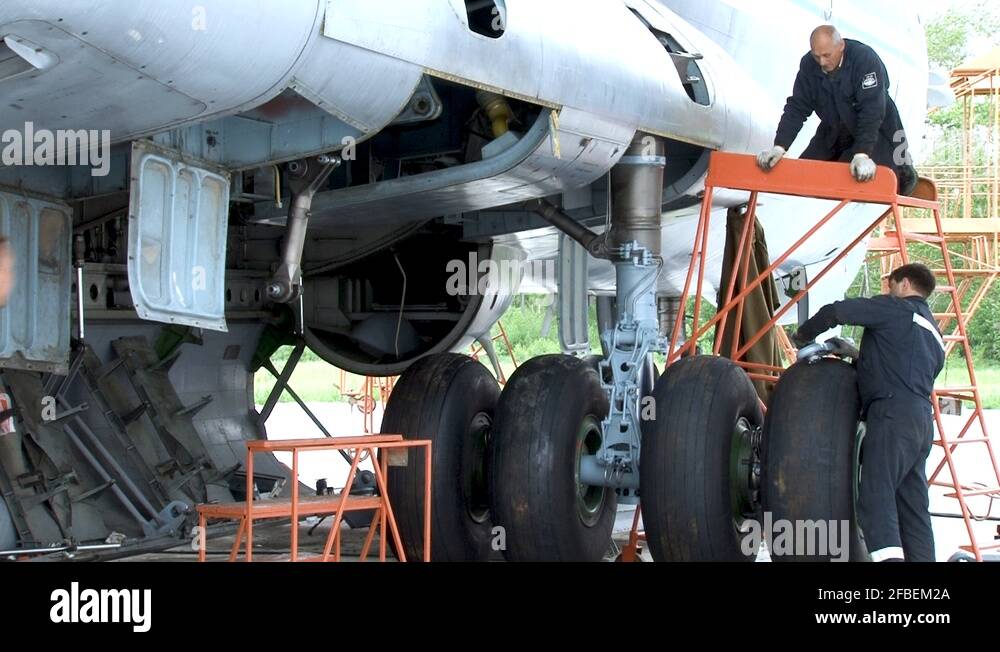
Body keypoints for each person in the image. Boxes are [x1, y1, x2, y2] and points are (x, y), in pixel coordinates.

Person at [792, 263, 945, 562]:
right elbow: (901, 368)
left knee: (876, 496)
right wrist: (858, 357)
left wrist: (804, 336)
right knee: (912, 506)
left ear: (904, 284)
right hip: (921, 423)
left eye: (891, 284)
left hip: (891, 415)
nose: (887, 290)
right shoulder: (933, 333)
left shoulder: (895, 309)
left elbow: (837, 311)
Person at [757, 25, 918, 195]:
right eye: (816, 56)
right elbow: (797, 107)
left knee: (887, 177)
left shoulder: (864, 58)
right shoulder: (809, 64)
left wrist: (862, 153)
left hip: (875, 127)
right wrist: (780, 146)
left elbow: (872, 109)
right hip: (835, 128)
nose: (822, 62)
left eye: (827, 55)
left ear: (841, 46)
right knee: (803, 176)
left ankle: (906, 172)